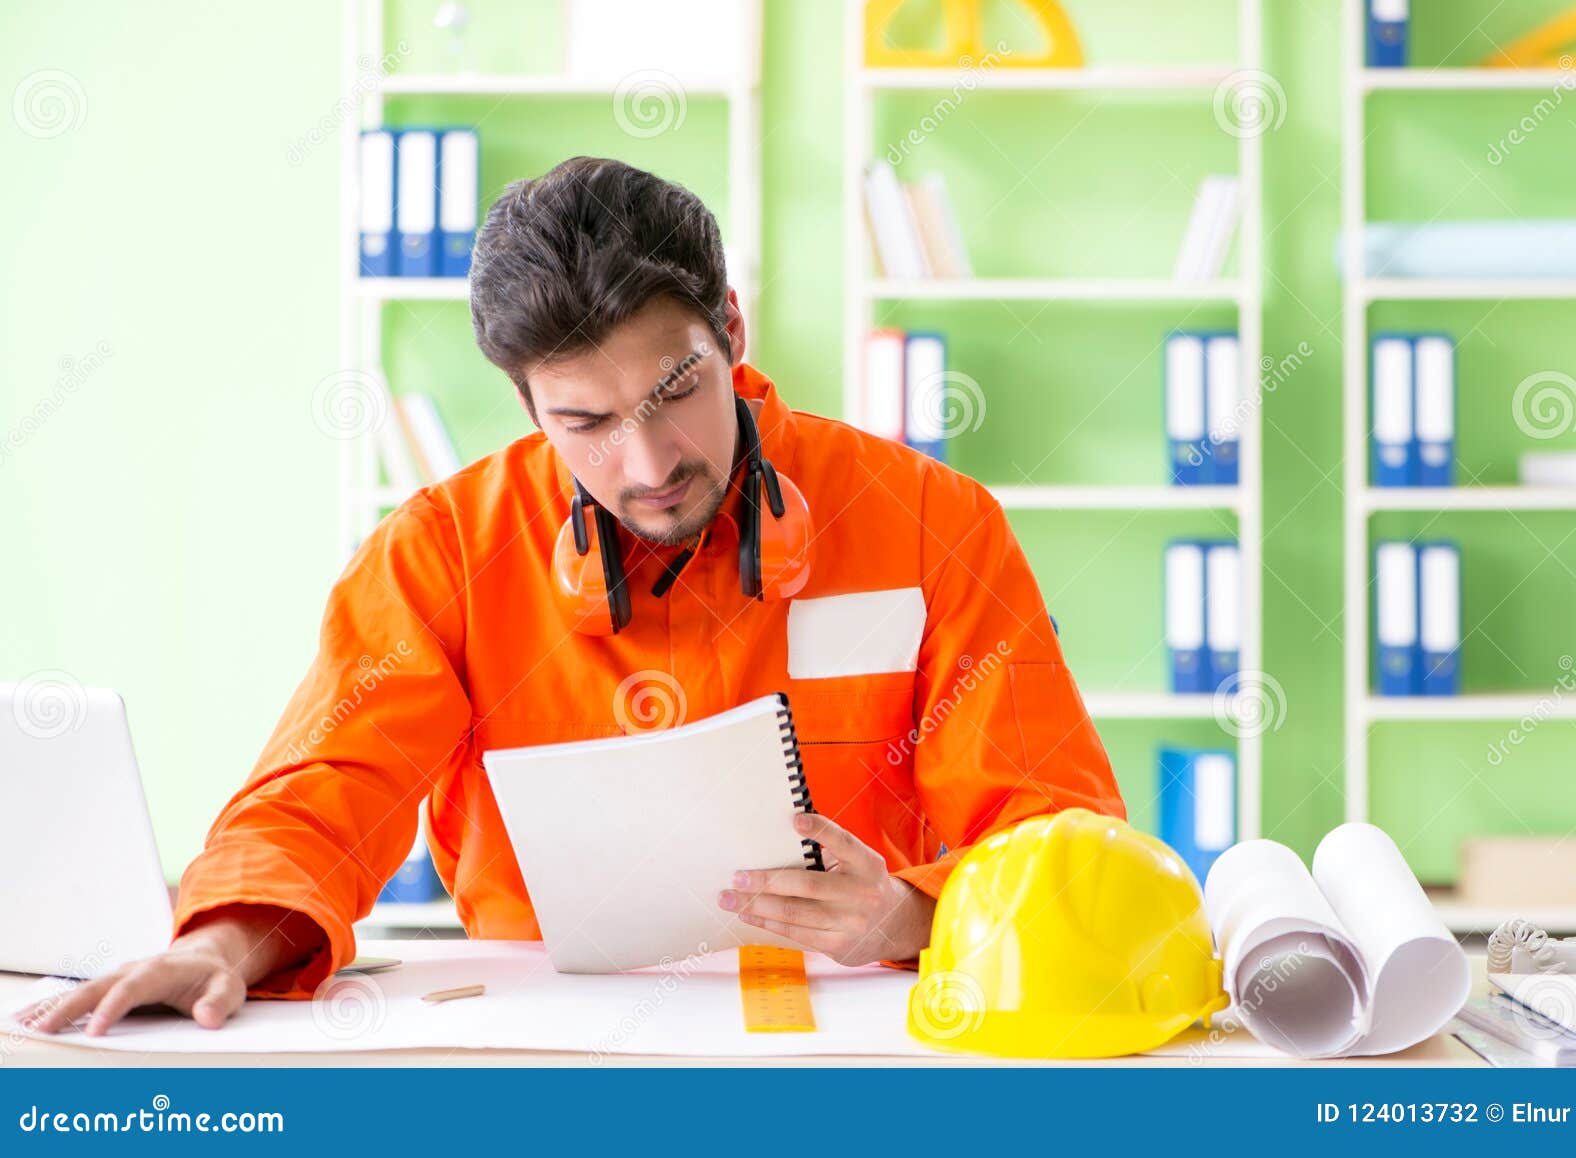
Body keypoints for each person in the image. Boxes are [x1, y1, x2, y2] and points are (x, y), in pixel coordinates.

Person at [17, 157, 1124, 1037]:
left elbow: (1062, 842)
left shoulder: (932, 520)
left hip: (859, 1033)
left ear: (729, 333)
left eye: (675, 392)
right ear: (524, 403)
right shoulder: (444, 548)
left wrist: (909, 912)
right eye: (584, 424)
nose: (648, 465)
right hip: (545, 1049)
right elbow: (324, 795)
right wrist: (221, 942)